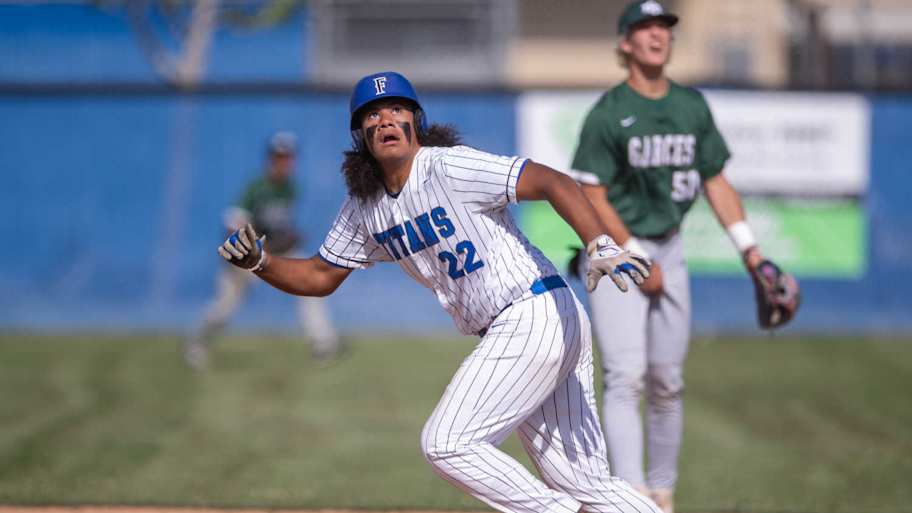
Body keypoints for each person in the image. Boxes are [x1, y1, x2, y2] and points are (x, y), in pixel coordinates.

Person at [218, 71, 661, 513]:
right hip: (538, 320)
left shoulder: (449, 166)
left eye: (396, 109)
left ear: (417, 121)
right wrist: (262, 263)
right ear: (360, 135)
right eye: (372, 115)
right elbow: (320, 274)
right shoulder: (364, 205)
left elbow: (552, 181)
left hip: (532, 312)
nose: (385, 119)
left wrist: (599, 243)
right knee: (584, 482)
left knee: (447, 444)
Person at [568, 2, 770, 512]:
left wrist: (751, 252)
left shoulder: (691, 106)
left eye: (664, 27)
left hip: (670, 248)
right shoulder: (609, 111)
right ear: (625, 43)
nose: (657, 35)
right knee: (625, 376)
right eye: (645, 28)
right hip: (619, 251)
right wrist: (637, 258)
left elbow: (715, 180)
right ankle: (630, 496)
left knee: (667, 381)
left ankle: (662, 493)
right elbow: (592, 193)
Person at [184, 131, 341, 370]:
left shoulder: (290, 188)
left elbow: (280, 228)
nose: (284, 162)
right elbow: (232, 223)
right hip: (247, 257)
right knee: (224, 307)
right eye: (279, 157)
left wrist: (288, 237)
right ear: (270, 159)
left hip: (277, 253)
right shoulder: (257, 187)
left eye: (288, 157)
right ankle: (197, 342)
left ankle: (323, 342)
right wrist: (247, 249)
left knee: (311, 285)